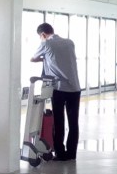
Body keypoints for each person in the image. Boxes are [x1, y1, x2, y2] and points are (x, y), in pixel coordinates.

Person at [31, 22, 81, 161]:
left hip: (59, 88)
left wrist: (44, 57)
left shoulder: (46, 43)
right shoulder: (70, 42)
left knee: (58, 121)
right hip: (75, 88)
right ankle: (71, 154)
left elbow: (33, 58)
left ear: (43, 35)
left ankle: (60, 153)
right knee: (73, 122)